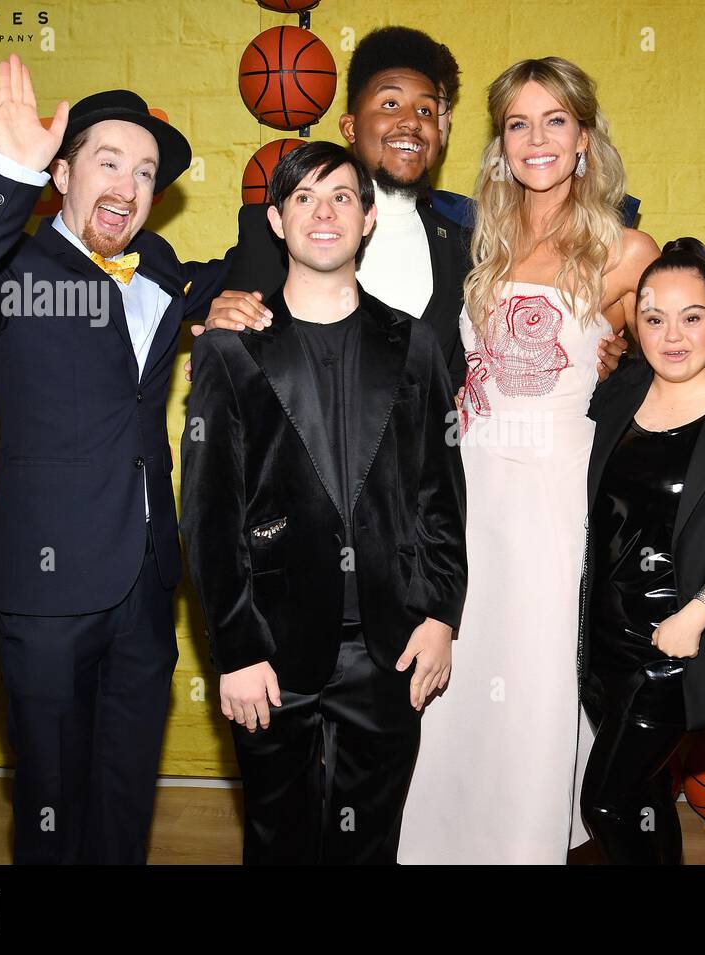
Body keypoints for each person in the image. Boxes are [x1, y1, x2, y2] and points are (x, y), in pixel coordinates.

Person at [0, 54, 232, 864]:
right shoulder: (12, 268)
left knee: (124, 795)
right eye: (108, 161)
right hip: (47, 595)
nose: (127, 185)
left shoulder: (155, 265)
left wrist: (235, 290)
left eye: (146, 171)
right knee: (51, 803)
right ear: (60, 172)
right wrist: (3, 172)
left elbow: (208, 281)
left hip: (149, 582)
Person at [398, 56, 660, 864]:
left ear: (584, 136)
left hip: (553, 496)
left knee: (536, 679)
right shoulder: (480, 234)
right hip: (471, 482)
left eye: (555, 121)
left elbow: (675, 361)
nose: (537, 138)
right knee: (460, 674)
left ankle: (523, 845)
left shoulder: (625, 247)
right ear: (500, 140)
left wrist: (617, 366)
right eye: (519, 123)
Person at [180, 141, 466, 865]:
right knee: (277, 841)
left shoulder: (417, 344)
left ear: (368, 218)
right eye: (303, 198)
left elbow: (440, 491)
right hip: (271, 647)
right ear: (275, 220)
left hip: (390, 643)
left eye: (341, 196)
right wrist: (236, 649)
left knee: (370, 843)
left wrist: (439, 616)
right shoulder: (228, 350)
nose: (324, 212)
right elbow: (210, 515)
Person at [198, 26, 630, 388]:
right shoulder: (279, 229)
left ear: (441, 132)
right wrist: (219, 324)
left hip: (430, 486)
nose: (410, 121)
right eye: (390, 104)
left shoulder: (470, 244)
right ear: (349, 125)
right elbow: (228, 365)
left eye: (426, 110)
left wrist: (603, 350)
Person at [579, 238, 705, 865]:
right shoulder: (615, 394)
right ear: (635, 320)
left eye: (692, 317)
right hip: (603, 640)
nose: (673, 335)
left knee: (605, 803)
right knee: (646, 797)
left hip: (677, 645)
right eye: (655, 318)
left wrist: (697, 616)